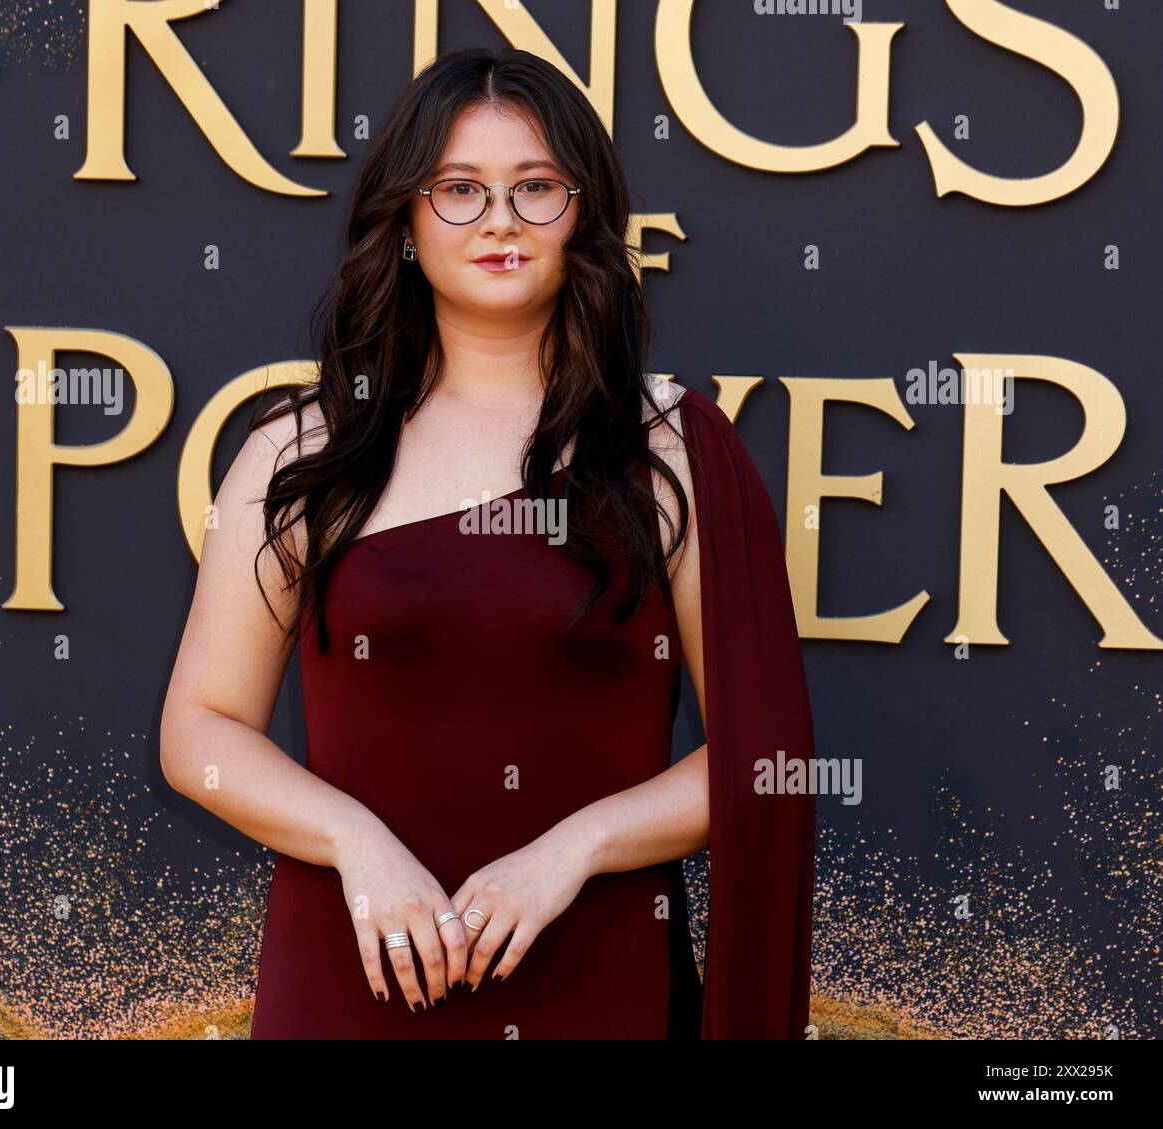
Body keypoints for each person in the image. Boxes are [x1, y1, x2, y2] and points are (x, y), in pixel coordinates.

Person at [160, 46, 816, 1039]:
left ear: (582, 217)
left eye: (536, 188)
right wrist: (354, 842)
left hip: (604, 977)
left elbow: (762, 758)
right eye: (459, 188)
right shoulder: (304, 451)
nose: (499, 218)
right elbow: (199, 730)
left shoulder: (675, 449)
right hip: (355, 970)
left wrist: (574, 850)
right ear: (408, 224)